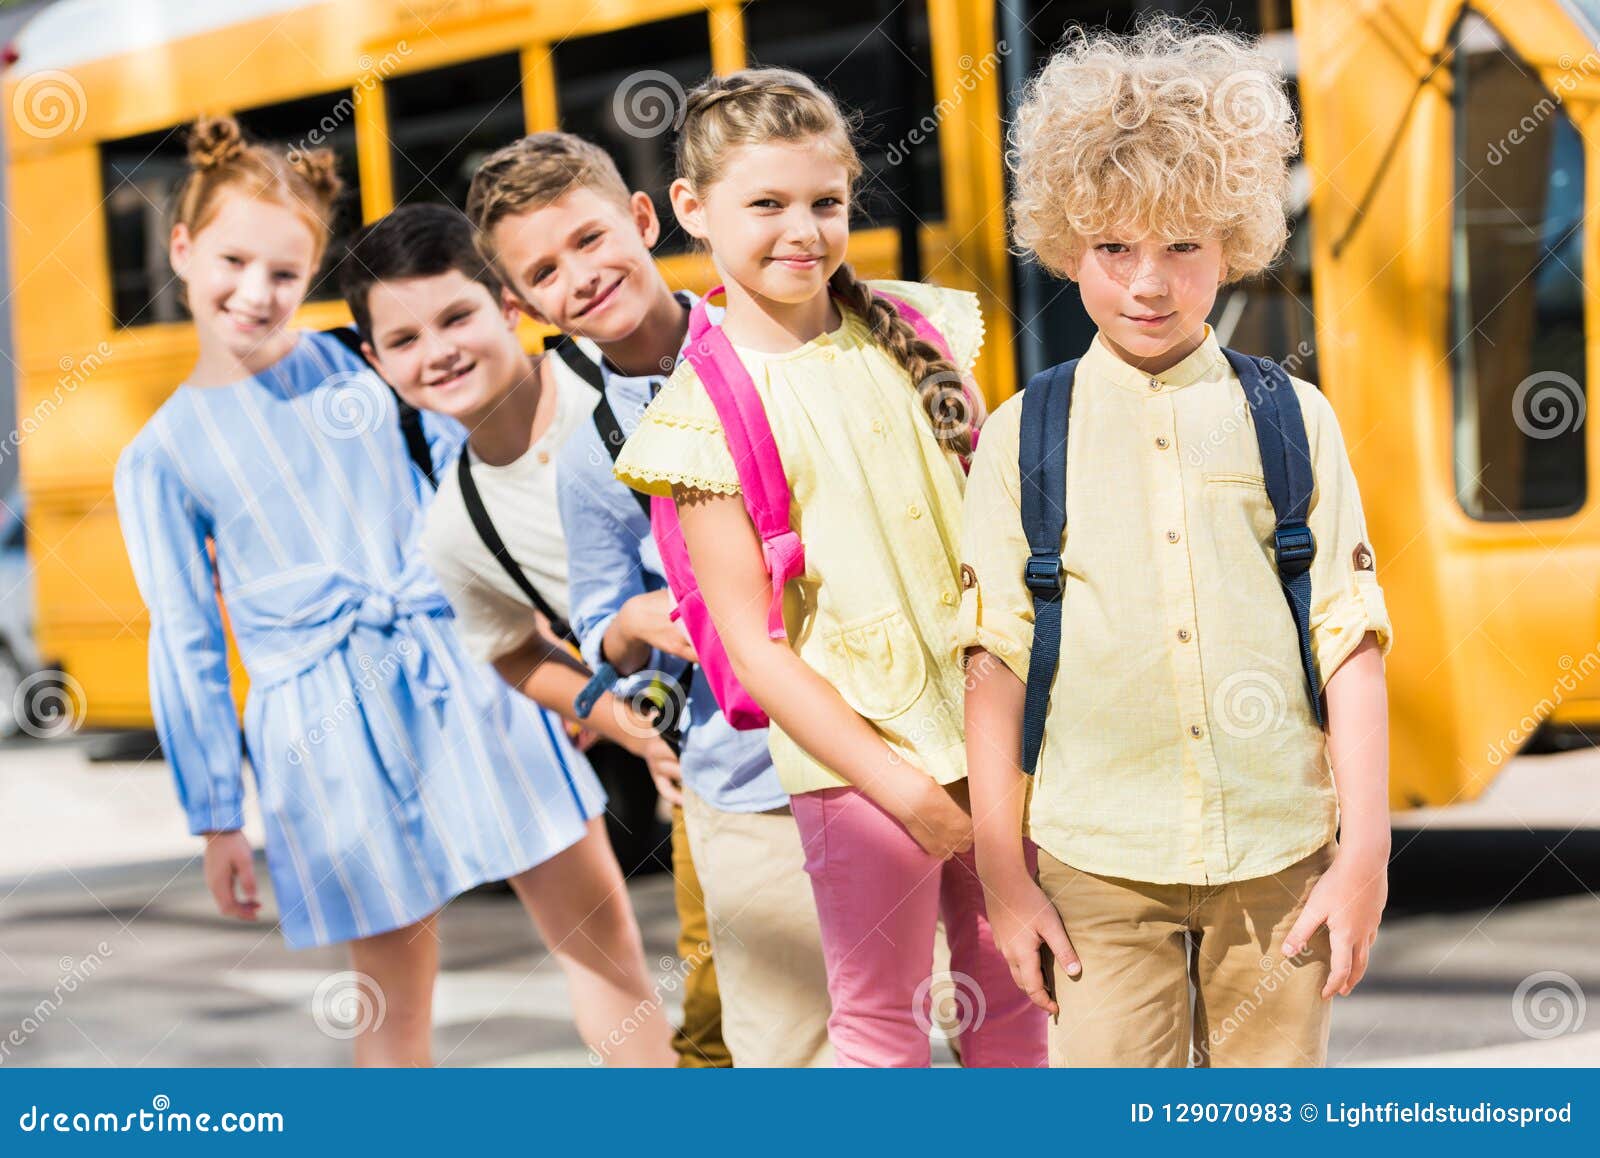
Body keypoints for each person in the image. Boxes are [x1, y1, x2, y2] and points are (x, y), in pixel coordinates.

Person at [113, 117, 666, 1066]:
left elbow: (487, 501)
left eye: (285, 273)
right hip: (323, 732)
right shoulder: (156, 454)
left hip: (471, 676)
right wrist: (215, 818)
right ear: (181, 247)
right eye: (233, 261)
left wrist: (565, 660)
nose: (256, 292)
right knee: (392, 1008)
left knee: (605, 954)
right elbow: (185, 637)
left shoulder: (369, 360)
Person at [961, 16, 1393, 1067]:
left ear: (1233, 240)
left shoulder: (1292, 416)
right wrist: (1002, 877)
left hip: (1278, 856)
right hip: (1094, 863)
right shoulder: (1024, 432)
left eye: (1180, 247)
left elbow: (1348, 636)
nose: (1146, 283)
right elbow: (992, 657)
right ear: (1067, 243)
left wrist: (1365, 853)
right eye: (1113, 248)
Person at [612, 69, 1045, 1068]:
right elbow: (755, 651)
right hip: (860, 774)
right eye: (764, 204)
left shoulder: (920, 331)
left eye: (824, 203)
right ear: (690, 209)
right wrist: (907, 794)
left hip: (995, 736)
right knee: (877, 1032)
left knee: (1021, 1002)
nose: (800, 230)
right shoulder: (697, 415)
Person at [468, 131, 833, 1067]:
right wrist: (630, 625)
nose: (580, 276)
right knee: (779, 1042)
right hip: (742, 773)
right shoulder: (592, 451)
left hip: (872, 728)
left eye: (590, 239)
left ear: (642, 217)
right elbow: (596, 621)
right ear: (521, 306)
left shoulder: (775, 333)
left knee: (912, 1013)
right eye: (545, 271)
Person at [338, 201, 687, 1065]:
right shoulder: (455, 529)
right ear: (376, 363)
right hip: (710, 755)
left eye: (457, 316)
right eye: (406, 341)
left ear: (509, 306)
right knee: (765, 1008)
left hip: (814, 693)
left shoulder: (610, 374)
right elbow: (513, 654)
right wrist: (631, 729)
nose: (440, 352)